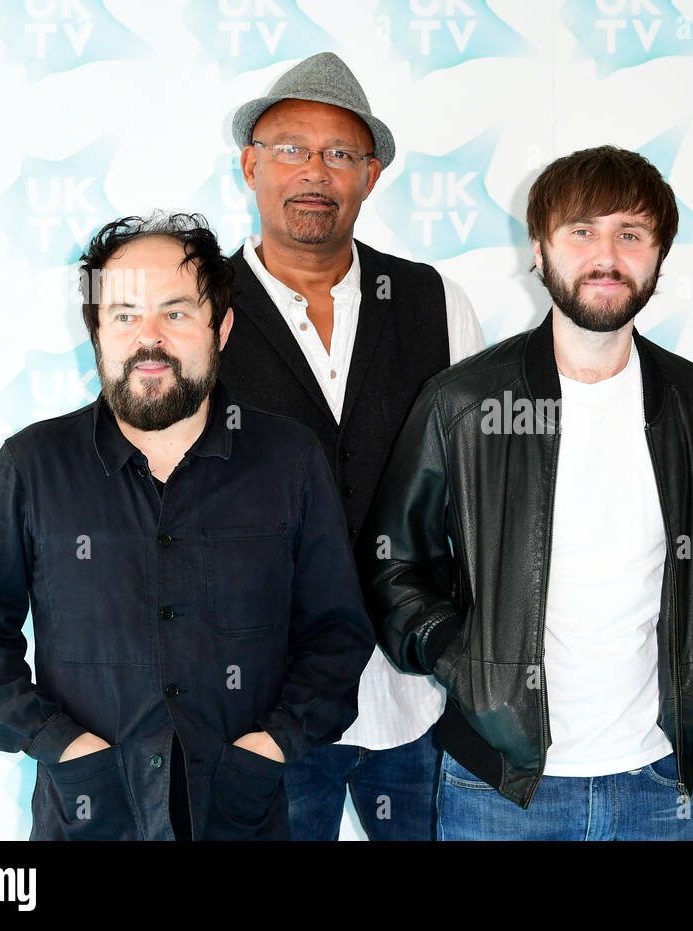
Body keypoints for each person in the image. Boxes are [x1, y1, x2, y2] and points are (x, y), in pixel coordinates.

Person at [0, 213, 373, 841]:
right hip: (89, 817)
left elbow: (336, 633)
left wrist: (275, 743)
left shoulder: (290, 460)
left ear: (219, 328)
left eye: (176, 313)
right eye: (124, 315)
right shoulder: (33, 463)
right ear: (96, 331)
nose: (150, 339)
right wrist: (56, 741)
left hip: (243, 815)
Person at [359, 145, 693, 841]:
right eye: (581, 232)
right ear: (539, 253)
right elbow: (393, 564)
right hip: (501, 787)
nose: (606, 256)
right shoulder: (465, 401)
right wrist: (465, 660)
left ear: (658, 256)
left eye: (630, 234)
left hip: (657, 779)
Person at [217, 51, 485, 842]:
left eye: (340, 154)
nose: (315, 173)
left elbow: (483, 491)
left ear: (370, 176)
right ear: (250, 165)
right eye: (291, 148)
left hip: (420, 699)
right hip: (262, 712)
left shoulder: (435, 302)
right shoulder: (197, 310)